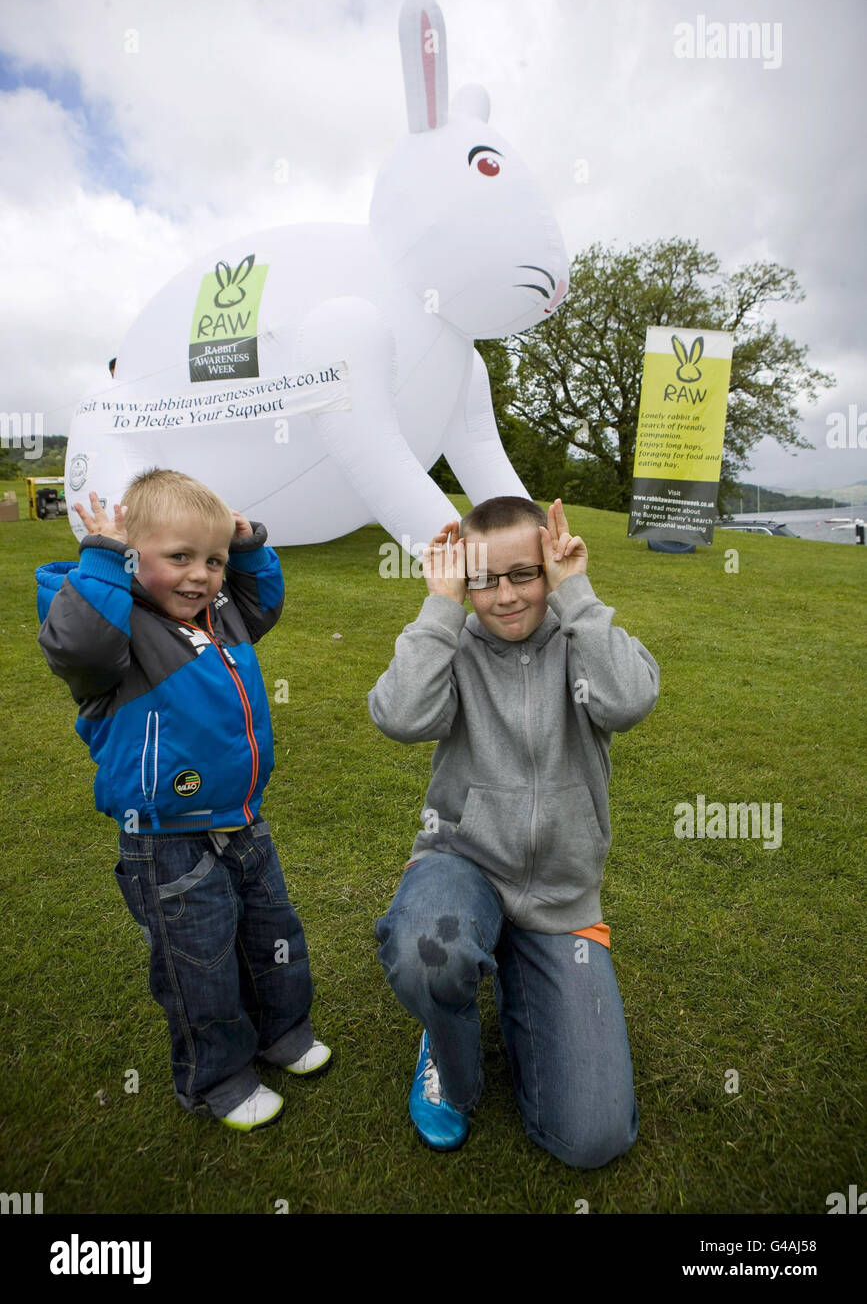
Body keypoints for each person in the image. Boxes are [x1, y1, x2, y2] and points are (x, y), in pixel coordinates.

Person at [35, 469, 330, 1131]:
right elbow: (76, 645)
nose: (201, 575)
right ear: (129, 555)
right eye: (179, 557)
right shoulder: (111, 630)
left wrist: (249, 546)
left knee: (271, 936)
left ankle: (282, 1035)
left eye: (214, 559)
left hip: (242, 820)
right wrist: (103, 561)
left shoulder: (220, 614)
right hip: (164, 839)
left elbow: (263, 601)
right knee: (199, 964)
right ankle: (218, 1078)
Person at [369, 496, 659, 1165]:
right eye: (482, 579)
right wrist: (440, 605)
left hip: (558, 900)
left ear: (550, 568)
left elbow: (626, 700)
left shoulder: (583, 638)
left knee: (590, 1137)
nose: (503, 597)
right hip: (460, 863)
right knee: (427, 953)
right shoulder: (453, 643)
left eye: (522, 575)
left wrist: (577, 596)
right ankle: (446, 1053)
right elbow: (399, 715)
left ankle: (511, 972)